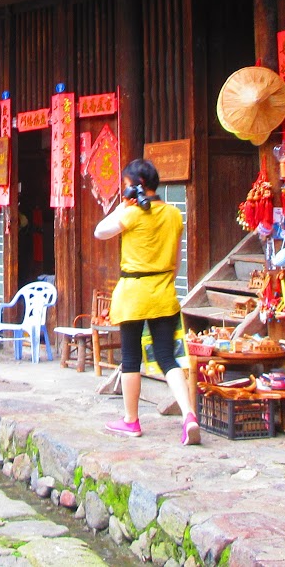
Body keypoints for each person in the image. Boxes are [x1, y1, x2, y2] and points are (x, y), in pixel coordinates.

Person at [92, 158, 200, 446]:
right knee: (168, 357)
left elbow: (99, 231)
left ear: (134, 187)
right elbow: (177, 260)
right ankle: (189, 415)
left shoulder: (130, 215)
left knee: (130, 359)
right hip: (163, 291)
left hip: (133, 293)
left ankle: (131, 420)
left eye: (125, 185)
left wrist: (122, 205)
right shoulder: (174, 215)